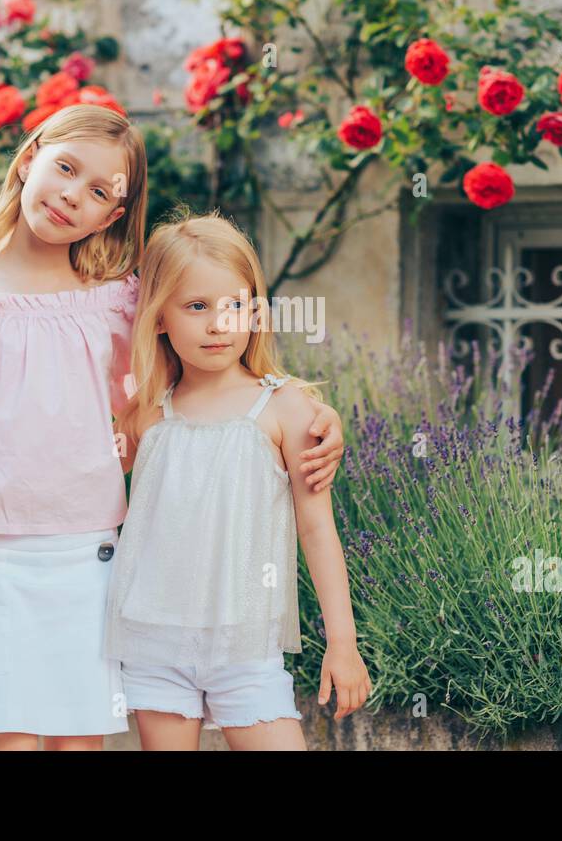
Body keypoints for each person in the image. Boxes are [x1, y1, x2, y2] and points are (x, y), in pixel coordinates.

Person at [0, 104, 345, 750]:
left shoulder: (113, 307)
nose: (74, 195)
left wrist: (319, 419)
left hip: (90, 566)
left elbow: (200, 383)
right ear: (28, 159)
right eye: (65, 168)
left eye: (100, 191)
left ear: (114, 215)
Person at [106, 210, 370, 750]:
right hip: (154, 637)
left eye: (234, 305)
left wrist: (342, 641)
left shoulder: (287, 410)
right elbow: (89, 493)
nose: (218, 323)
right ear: (159, 317)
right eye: (196, 307)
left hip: (246, 643)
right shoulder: (146, 413)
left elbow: (317, 530)